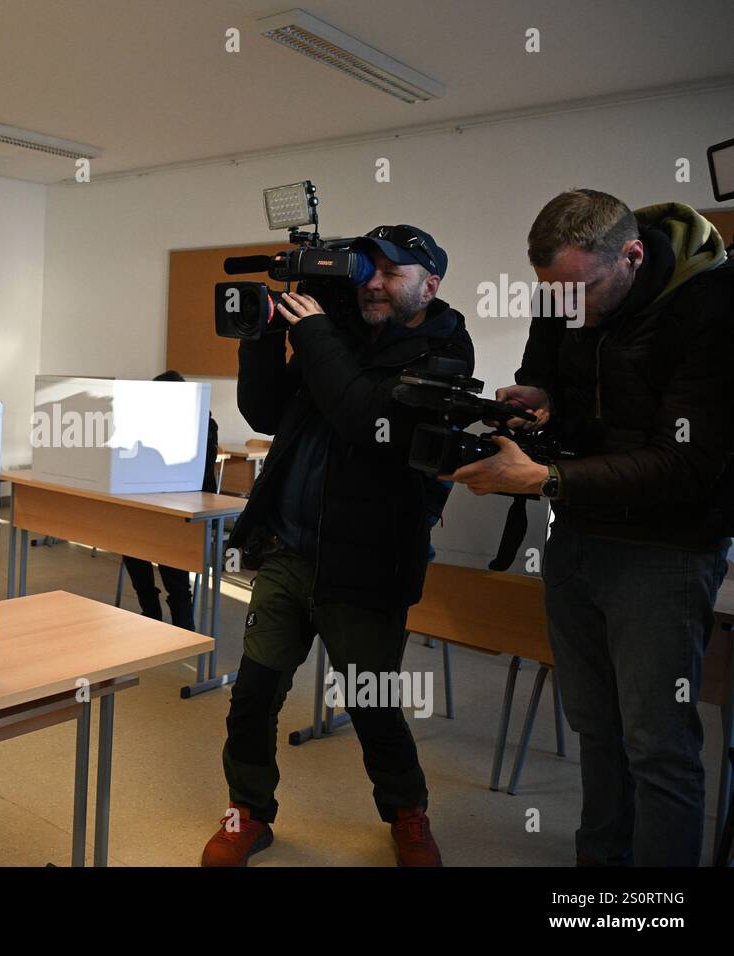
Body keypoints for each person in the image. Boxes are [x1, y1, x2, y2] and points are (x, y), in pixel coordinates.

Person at [447, 190, 734, 866]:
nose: (565, 309)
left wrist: (546, 480)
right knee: (596, 729)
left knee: (656, 743)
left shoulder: (714, 307)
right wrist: (537, 398)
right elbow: (545, 374)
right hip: (577, 534)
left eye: (579, 290)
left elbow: (686, 462)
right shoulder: (563, 291)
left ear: (631, 256)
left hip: (666, 549)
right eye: (551, 294)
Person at [201, 225, 472, 867]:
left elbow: (368, 420)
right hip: (289, 552)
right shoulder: (339, 330)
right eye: (366, 268)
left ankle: (407, 814)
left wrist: (315, 334)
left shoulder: (444, 351)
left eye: (392, 273)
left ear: (429, 286)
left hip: (370, 562)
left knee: (372, 705)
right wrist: (265, 333)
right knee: (253, 697)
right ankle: (249, 813)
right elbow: (268, 414)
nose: (373, 283)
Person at [121, 370, 219, 630]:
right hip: (152, 501)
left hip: (188, 506)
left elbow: (201, 474)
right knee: (129, 542)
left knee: (170, 553)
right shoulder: (147, 425)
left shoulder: (204, 424)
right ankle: (150, 610)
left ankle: (183, 623)